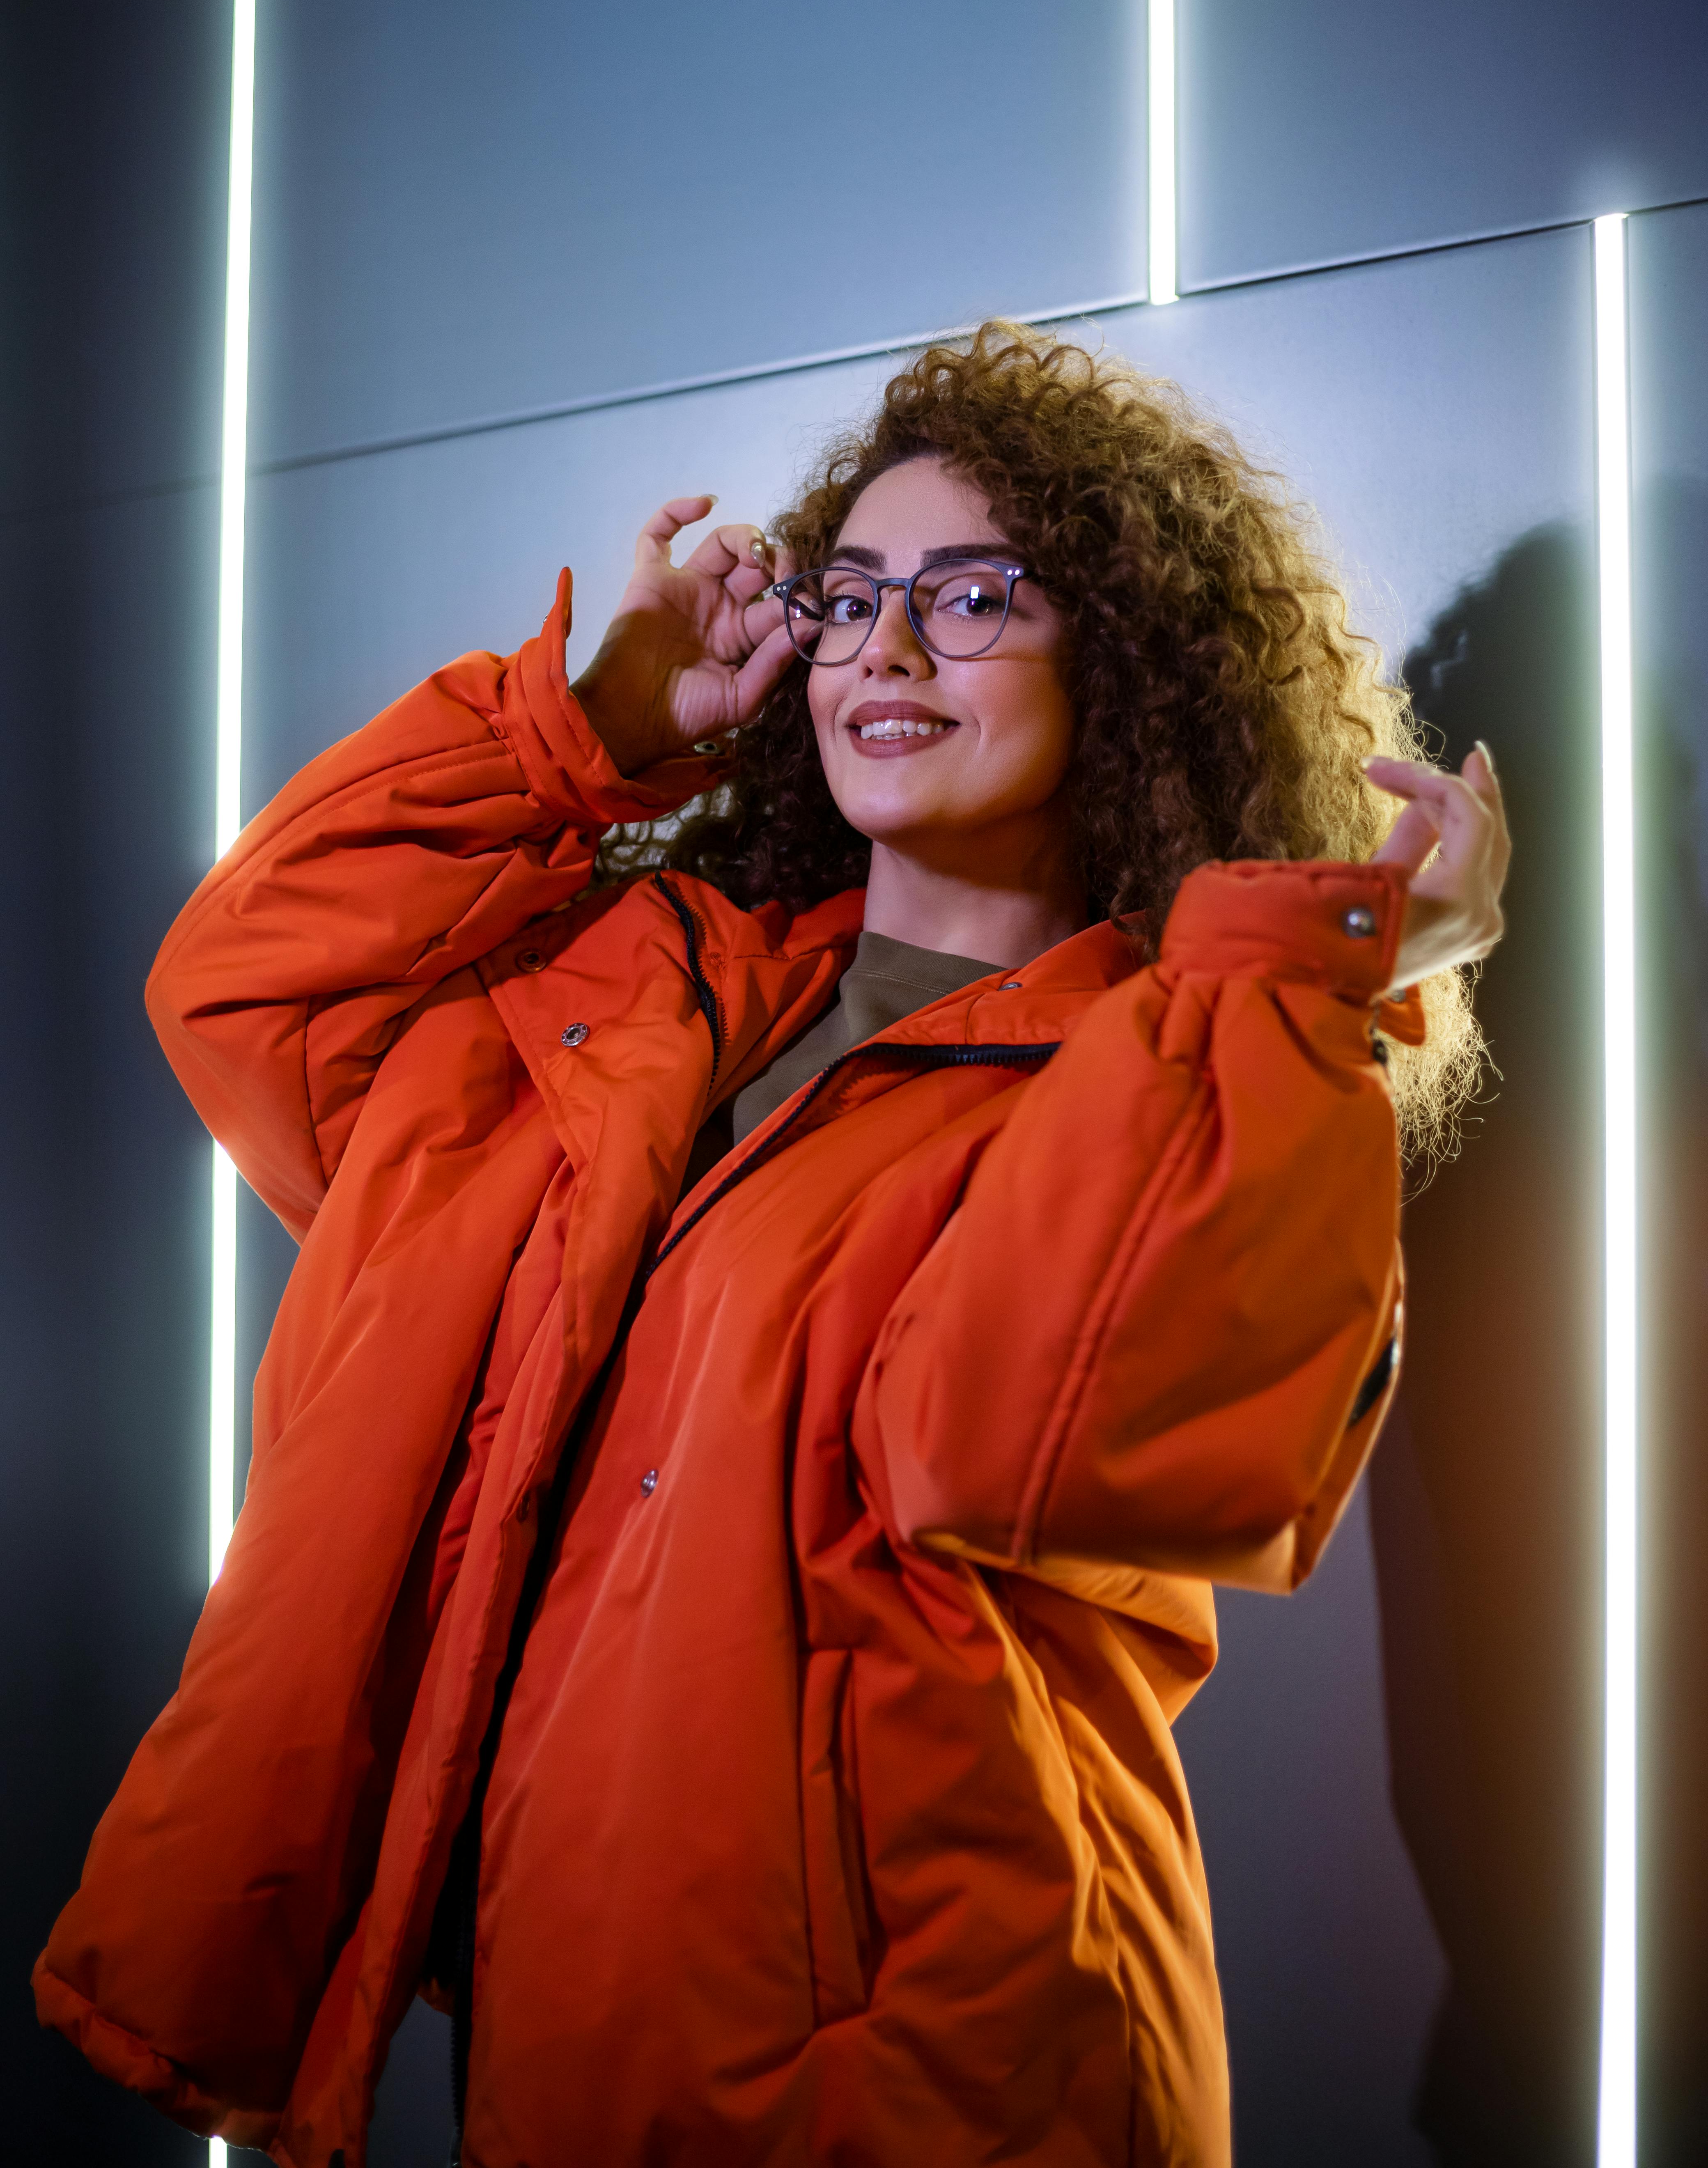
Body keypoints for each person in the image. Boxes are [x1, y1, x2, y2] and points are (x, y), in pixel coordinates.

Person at [36, 325, 1508, 2167]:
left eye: (974, 598)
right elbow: (248, 991)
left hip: (934, 2060)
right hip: (567, 2025)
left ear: (1121, 669)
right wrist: (585, 732)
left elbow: (1058, 1435)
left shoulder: (1163, 1068)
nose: (886, 650)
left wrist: (1295, 985)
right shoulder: (648, 1007)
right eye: (851, 596)